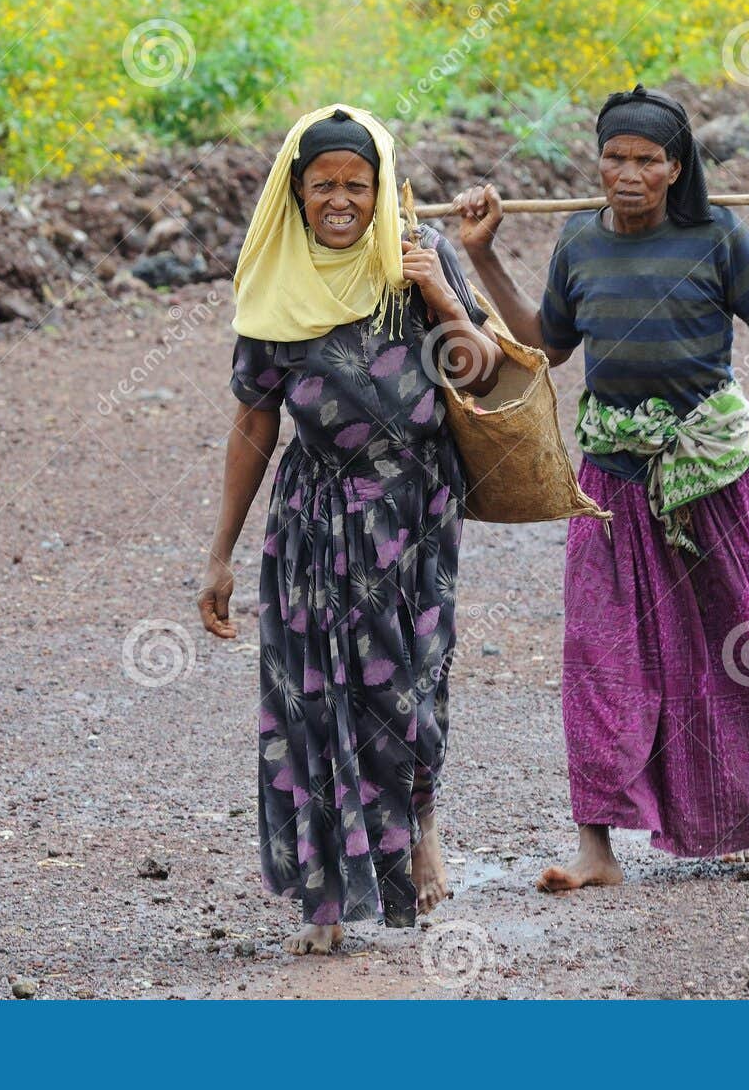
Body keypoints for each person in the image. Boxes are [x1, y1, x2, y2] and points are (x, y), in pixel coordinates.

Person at [450, 84, 749, 886]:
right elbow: (546, 345)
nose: (627, 173)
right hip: (608, 477)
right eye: (614, 157)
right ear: (597, 162)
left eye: (646, 160)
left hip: (708, 470)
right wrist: (483, 252)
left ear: (676, 167)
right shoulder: (578, 243)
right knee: (597, 651)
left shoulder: (716, 237)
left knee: (733, 643)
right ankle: (595, 849)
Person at [198, 104, 503, 953]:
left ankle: (420, 819)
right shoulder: (273, 280)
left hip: (415, 510)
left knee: (413, 683)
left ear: (381, 188)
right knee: (315, 697)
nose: (341, 201)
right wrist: (219, 553)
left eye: (357, 186)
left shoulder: (418, 256)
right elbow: (255, 421)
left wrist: (439, 289)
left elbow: (478, 368)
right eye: (323, 185)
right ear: (294, 193)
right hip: (314, 520)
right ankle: (327, 900)